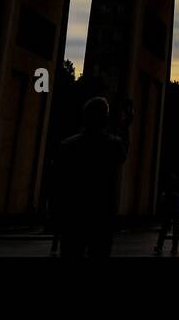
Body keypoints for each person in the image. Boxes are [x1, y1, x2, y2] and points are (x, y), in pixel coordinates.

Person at [53, 97, 128, 257]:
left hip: (73, 214)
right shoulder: (113, 146)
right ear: (105, 119)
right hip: (101, 215)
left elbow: (58, 184)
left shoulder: (67, 146)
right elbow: (123, 153)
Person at [154, 175, 179, 255]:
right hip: (175, 211)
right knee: (175, 230)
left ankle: (160, 246)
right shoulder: (178, 189)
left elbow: (164, 201)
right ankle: (174, 248)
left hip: (169, 211)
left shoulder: (168, 192)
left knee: (164, 229)